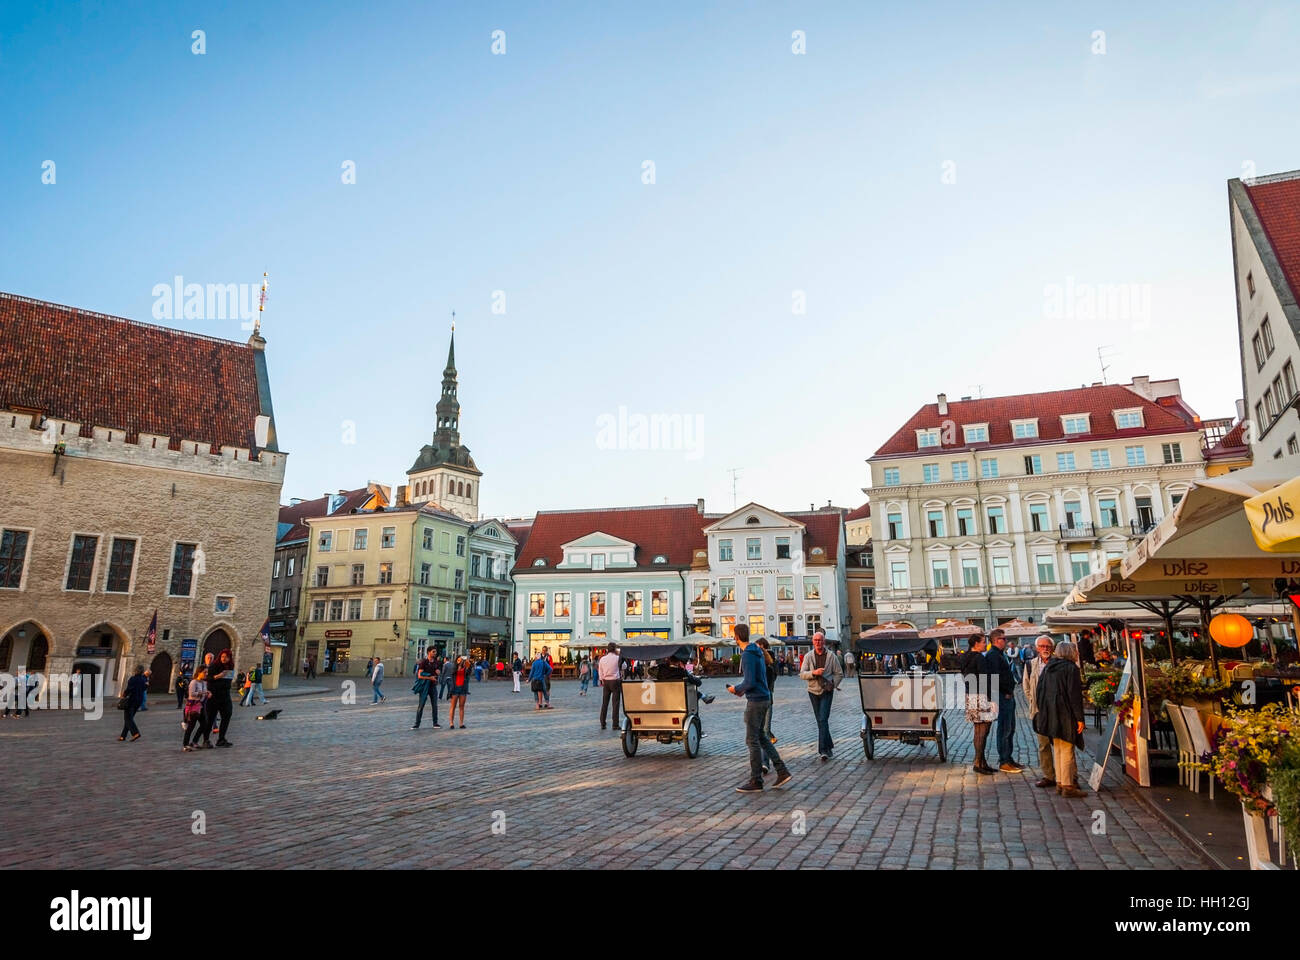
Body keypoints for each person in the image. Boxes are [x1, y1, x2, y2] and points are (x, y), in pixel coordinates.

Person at [727, 625, 792, 793]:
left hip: (755, 701)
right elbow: (757, 679)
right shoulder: (757, 651)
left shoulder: (748, 654)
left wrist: (737, 689)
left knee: (752, 740)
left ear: (736, 636)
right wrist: (743, 690)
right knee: (762, 737)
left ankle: (756, 780)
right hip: (764, 698)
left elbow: (749, 682)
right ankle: (782, 771)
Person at [1034, 640, 1087, 798]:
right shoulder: (1071, 669)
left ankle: (1060, 783)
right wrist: (1079, 718)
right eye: (1075, 651)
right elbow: (1074, 696)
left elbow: (1039, 692)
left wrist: (1043, 711)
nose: (1077, 654)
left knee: (1057, 748)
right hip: (1065, 715)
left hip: (1050, 714)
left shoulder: (1049, 667)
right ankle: (1068, 786)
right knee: (1067, 750)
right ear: (1070, 652)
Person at [800, 631, 844, 761]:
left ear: (824, 642)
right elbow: (802, 674)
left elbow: (839, 673)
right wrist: (814, 672)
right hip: (813, 691)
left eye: (820, 640)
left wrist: (833, 684)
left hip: (827, 691)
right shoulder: (808, 657)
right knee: (820, 720)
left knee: (823, 718)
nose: (818, 642)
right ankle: (829, 745)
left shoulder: (831, 656)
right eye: (815, 640)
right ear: (813, 642)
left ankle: (823, 750)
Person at [1023, 635, 1057, 789]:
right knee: (1043, 745)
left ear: (1052, 648)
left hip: (1057, 710)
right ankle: (1049, 776)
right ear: (1037, 648)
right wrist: (1034, 702)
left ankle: (1067, 776)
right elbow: (1026, 686)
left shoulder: (1058, 663)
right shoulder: (1031, 664)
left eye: (1048, 646)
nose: (1045, 649)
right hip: (1039, 711)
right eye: (1042, 646)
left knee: (1060, 744)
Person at [985, 628, 1021, 772]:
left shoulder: (1000, 654)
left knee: (1010, 728)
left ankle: (1008, 758)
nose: (1006, 641)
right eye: (1003, 639)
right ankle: (1004, 760)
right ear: (996, 640)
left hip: (1007, 695)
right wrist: (1005, 691)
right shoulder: (993, 655)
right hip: (1002, 696)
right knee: (1004, 728)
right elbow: (994, 677)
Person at [959, 634, 996, 775]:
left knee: (978, 730)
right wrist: (991, 699)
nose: (985, 644)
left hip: (971, 694)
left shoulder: (964, 657)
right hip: (981, 695)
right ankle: (978, 762)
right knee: (984, 730)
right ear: (975, 643)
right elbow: (985, 679)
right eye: (983, 642)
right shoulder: (980, 658)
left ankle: (981, 761)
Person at [207, 649, 236, 748]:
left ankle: (221, 739)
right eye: (223, 657)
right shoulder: (214, 666)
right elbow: (208, 679)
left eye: (226, 657)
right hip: (214, 695)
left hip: (225, 695)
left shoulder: (230, 666)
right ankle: (206, 740)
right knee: (210, 718)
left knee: (227, 715)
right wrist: (218, 676)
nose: (224, 659)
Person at [754, 638, 778, 748]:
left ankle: (767, 743)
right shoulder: (758, 659)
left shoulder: (769, 660)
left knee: (765, 725)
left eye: (758, 645)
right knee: (762, 725)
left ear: (763, 646)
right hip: (762, 693)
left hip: (766, 693)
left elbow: (773, 675)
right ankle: (768, 739)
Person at [411, 650, 441, 729]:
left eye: (435, 652)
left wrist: (438, 673)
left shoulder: (436, 662)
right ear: (429, 652)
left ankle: (435, 723)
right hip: (424, 686)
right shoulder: (423, 662)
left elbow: (437, 672)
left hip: (433, 686)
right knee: (421, 705)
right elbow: (420, 675)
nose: (435, 653)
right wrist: (429, 678)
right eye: (433, 652)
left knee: (435, 705)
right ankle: (417, 724)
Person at [118, 665, 148, 741]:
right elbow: (144, 688)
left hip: (131, 700)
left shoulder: (133, 679)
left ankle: (135, 733)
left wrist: (124, 694)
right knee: (129, 718)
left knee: (128, 718)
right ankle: (123, 736)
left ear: (135, 670)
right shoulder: (143, 679)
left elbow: (129, 689)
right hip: (139, 701)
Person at [182, 669, 209, 751]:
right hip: (193, 706)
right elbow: (192, 694)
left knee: (204, 724)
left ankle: (194, 741)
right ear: (199, 673)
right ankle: (185, 745)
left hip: (201, 706)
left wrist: (208, 693)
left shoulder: (204, 683)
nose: (206, 674)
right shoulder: (194, 682)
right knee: (191, 726)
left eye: (207, 672)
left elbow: (204, 692)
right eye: (204, 672)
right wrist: (202, 693)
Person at [597, 643, 622, 730]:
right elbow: (624, 666)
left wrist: (602, 680)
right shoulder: (617, 658)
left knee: (605, 703)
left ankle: (602, 722)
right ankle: (615, 724)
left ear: (607, 649)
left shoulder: (602, 659)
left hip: (606, 681)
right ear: (614, 649)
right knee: (615, 703)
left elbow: (600, 670)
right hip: (615, 681)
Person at [449, 656, 471, 728]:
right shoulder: (454, 667)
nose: (460, 661)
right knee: (453, 706)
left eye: (461, 660)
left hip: (463, 688)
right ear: (456, 660)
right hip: (455, 688)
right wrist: (458, 665)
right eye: (458, 660)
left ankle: (461, 723)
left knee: (461, 706)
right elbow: (452, 673)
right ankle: (451, 723)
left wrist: (467, 664)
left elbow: (469, 672)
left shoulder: (465, 667)